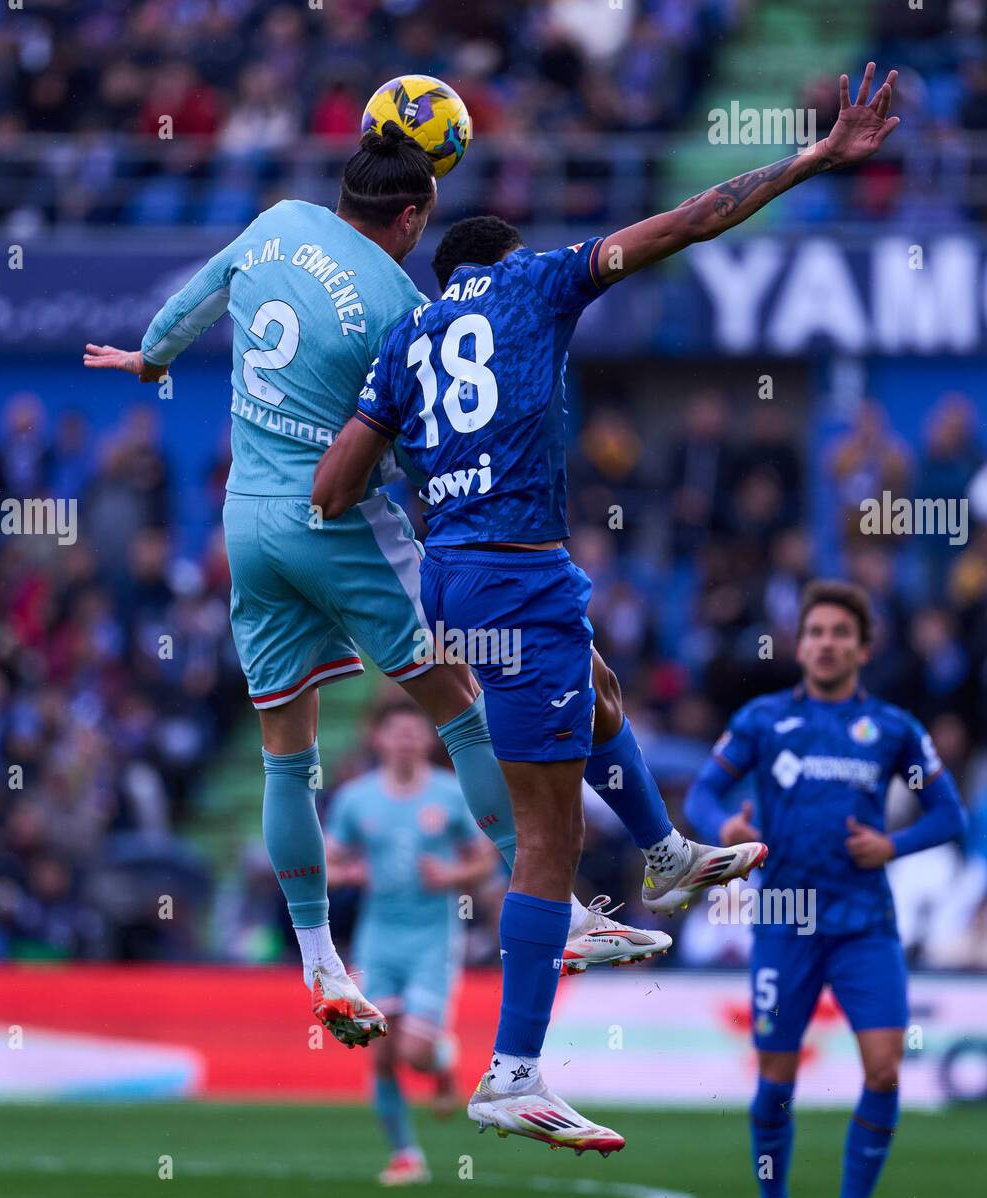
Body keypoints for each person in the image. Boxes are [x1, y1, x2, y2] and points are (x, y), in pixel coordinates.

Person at [312, 64, 900, 1153]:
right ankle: (512, 1071)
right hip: (512, 570)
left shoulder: (406, 343)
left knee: (597, 692)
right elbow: (685, 222)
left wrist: (425, 464)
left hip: (460, 569)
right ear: (500, 257)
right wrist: (813, 157)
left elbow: (332, 492)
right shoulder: (537, 283)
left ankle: (666, 856)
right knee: (546, 837)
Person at [82, 122, 686, 1056]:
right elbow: (425, 445)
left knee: (287, 755)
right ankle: (558, 905)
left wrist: (151, 361)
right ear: (409, 216)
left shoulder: (276, 219)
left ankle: (321, 959)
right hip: (335, 523)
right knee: (465, 709)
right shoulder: (398, 304)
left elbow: (192, 302)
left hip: (245, 523)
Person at [685, 580, 967, 1198]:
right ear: (800, 642)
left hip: (865, 922)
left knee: (884, 1069)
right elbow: (701, 791)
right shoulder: (762, 719)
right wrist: (728, 828)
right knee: (776, 1081)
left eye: (842, 632)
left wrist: (890, 846)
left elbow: (949, 816)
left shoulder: (894, 729)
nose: (828, 642)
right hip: (784, 922)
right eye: (816, 632)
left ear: (863, 647)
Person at [326, 703, 495, 1185]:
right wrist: (351, 873)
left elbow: (484, 861)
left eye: (413, 732)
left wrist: (452, 875)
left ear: (427, 739)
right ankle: (405, 1155)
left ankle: (441, 1066)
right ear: (377, 738)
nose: (404, 740)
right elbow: (328, 864)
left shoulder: (449, 792)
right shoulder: (355, 799)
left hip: (432, 940)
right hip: (378, 939)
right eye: (395, 731)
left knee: (414, 1052)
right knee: (380, 1051)